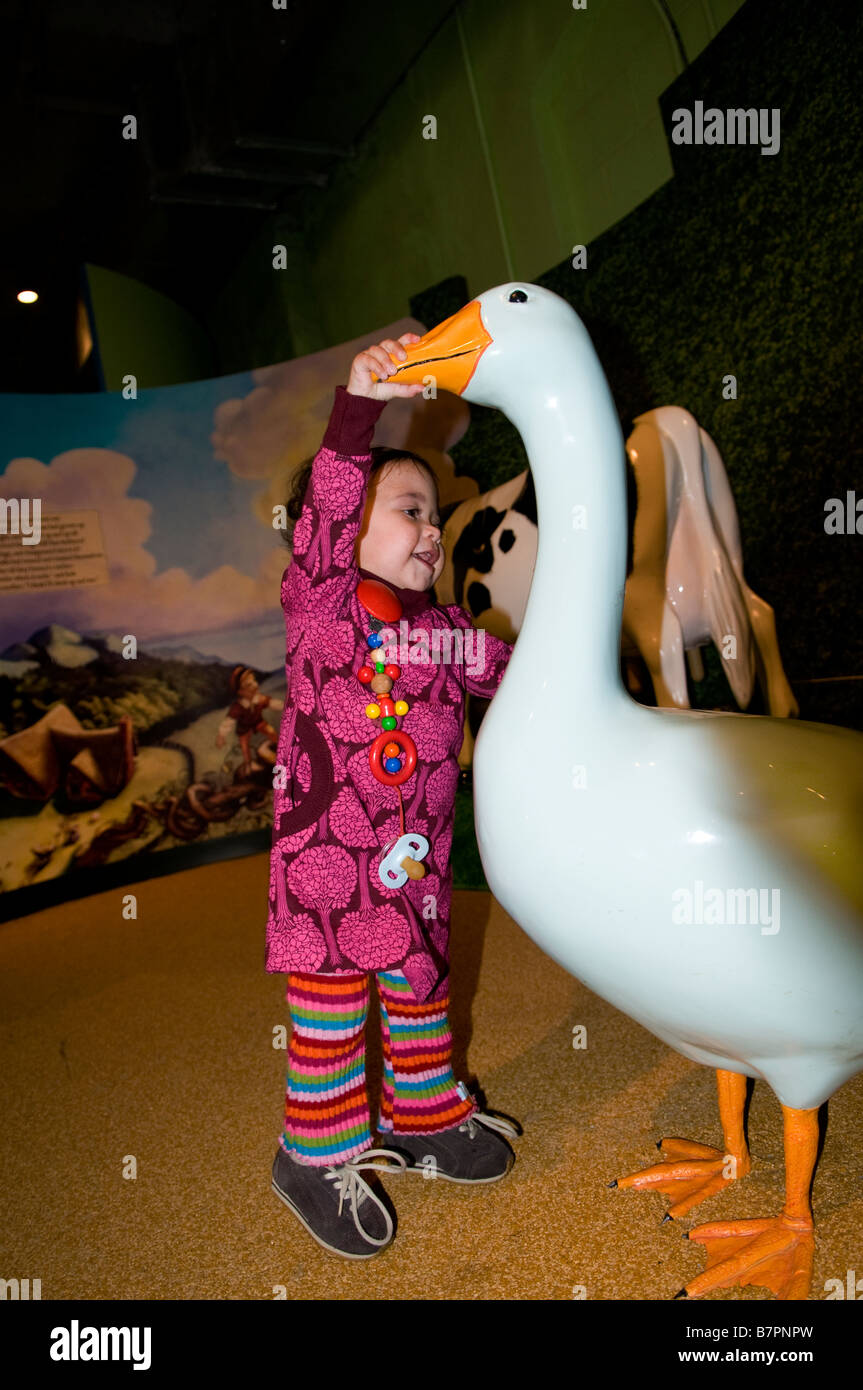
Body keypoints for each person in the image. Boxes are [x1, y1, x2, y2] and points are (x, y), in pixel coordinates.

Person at [268, 332, 517, 1258]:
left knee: (419, 988)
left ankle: (420, 1115)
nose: (429, 530)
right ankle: (313, 1152)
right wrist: (359, 406)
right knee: (331, 1008)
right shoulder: (322, 608)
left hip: (413, 873)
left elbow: (521, 679)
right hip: (327, 873)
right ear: (342, 531)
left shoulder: (451, 630)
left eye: (434, 516)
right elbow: (329, 511)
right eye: (408, 510)